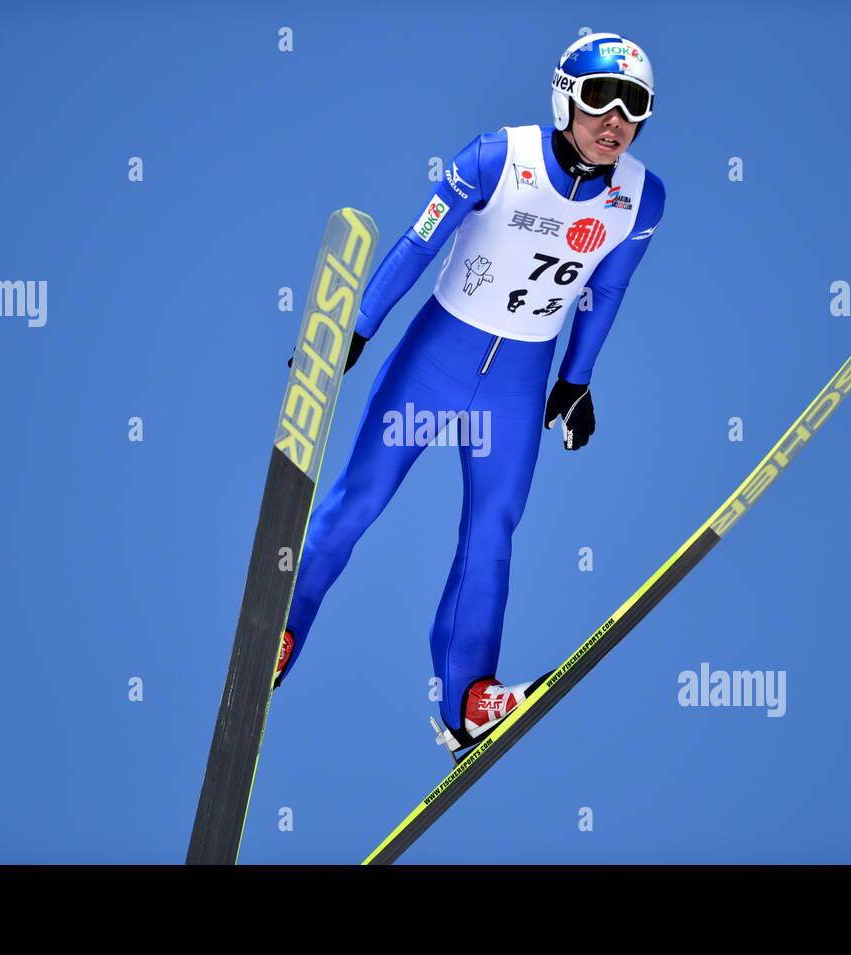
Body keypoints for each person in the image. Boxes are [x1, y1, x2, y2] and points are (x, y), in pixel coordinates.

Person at [276, 32, 666, 756]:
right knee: (359, 498)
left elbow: (606, 289)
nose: (614, 120)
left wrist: (576, 381)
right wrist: (354, 329)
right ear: (563, 98)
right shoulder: (496, 157)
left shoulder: (640, 198)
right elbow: (419, 243)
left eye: (633, 106)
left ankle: (467, 703)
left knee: (492, 533)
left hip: (517, 385)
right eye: (597, 101)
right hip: (437, 359)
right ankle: (283, 628)